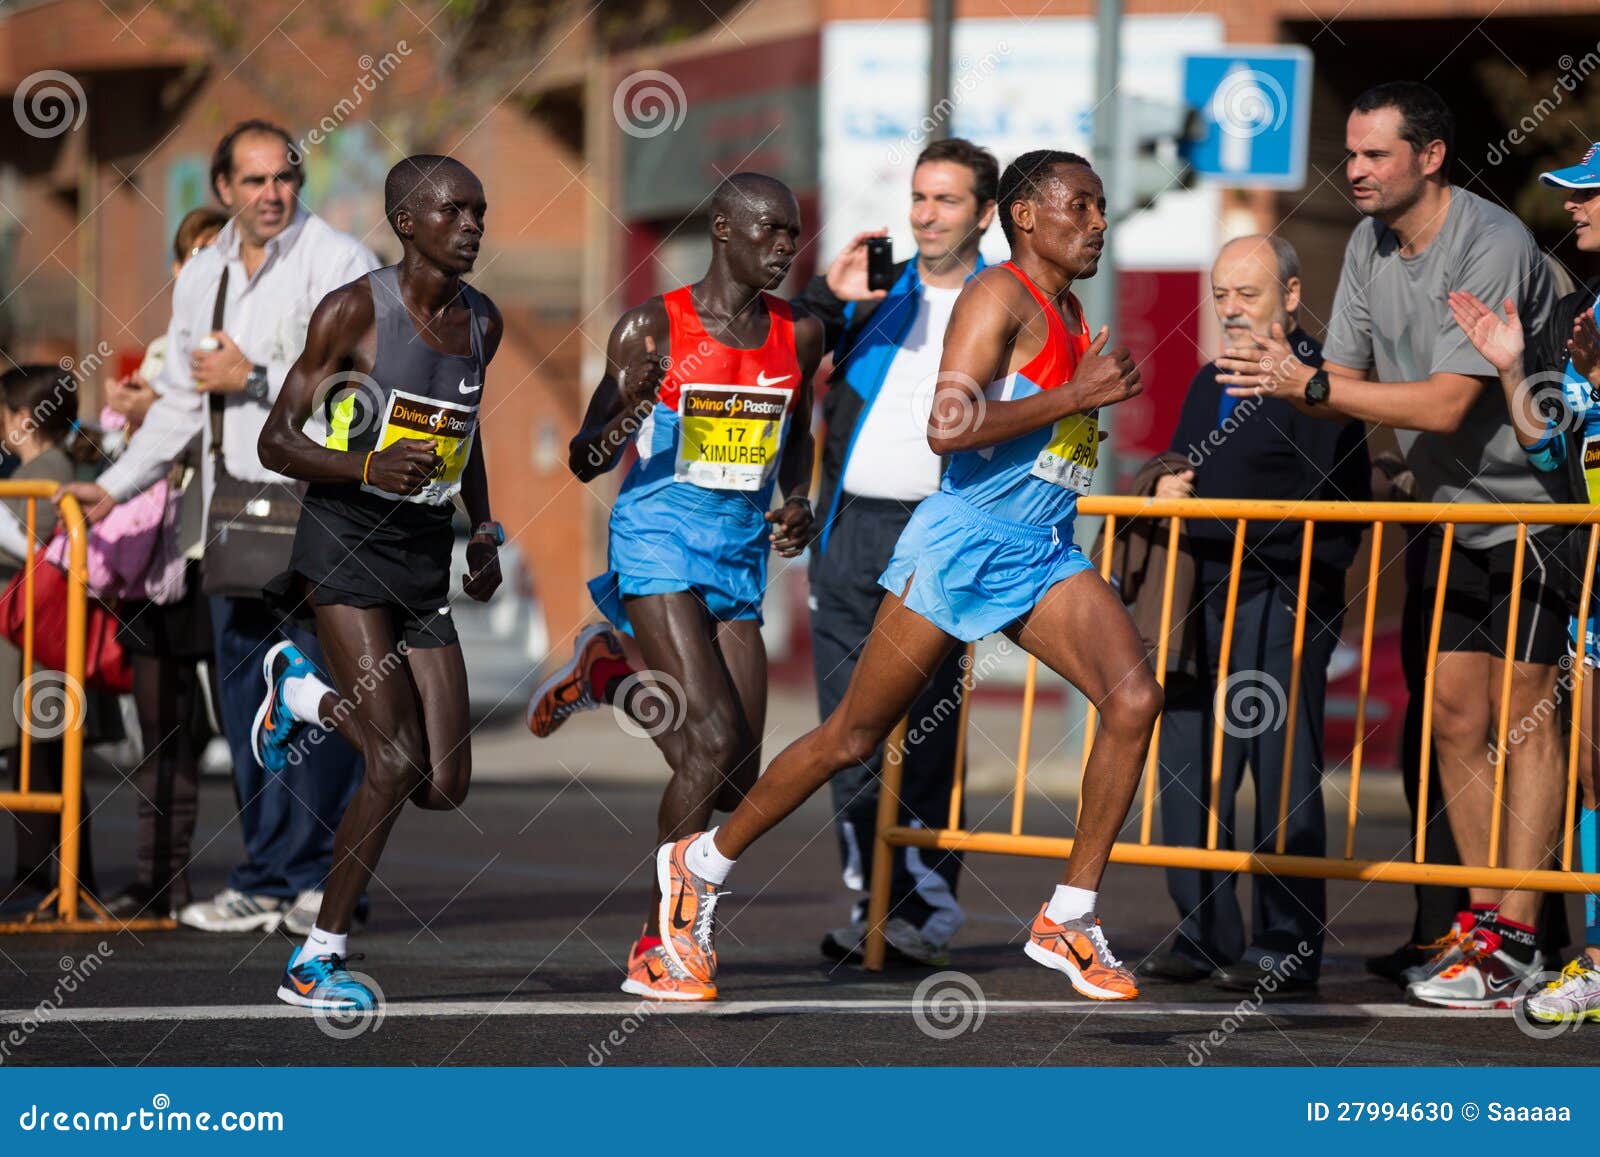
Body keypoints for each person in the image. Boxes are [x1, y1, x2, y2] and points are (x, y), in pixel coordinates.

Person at [655, 150, 1158, 1002]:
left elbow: (1043, 437)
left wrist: (1076, 407)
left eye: (1102, 206)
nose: (1098, 223)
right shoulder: (996, 296)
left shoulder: (1070, 310)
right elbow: (947, 426)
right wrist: (1075, 399)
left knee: (1135, 698)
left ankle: (1069, 914)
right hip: (960, 545)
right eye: (1080, 205)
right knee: (854, 736)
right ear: (1025, 215)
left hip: (1040, 548)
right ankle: (701, 863)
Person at [1217, 82, 1564, 1009]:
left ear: (1431, 156)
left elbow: (1444, 404)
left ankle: (1521, 938)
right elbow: (1344, 378)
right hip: (1447, 514)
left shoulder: (1490, 240)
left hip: (1539, 512)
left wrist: (1309, 385)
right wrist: (1289, 375)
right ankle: (1479, 927)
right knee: (1453, 715)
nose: (1356, 170)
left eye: (1376, 154)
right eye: (1352, 153)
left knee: (1526, 716)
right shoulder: (1371, 244)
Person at [59, 120, 377, 937]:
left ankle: (322, 878)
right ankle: (267, 875)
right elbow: (177, 402)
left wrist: (257, 376)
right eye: (255, 180)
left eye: (285, 177)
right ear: (225, 189)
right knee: (250, 705)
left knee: (324, 698)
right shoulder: (204, 273)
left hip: (321, 508)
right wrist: (112, 487)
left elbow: (364, 387)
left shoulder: (338, 260)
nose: (273, 193)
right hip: (234, 516)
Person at [547, 171, 822, 1002]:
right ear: (723, 229)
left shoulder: (800, 332)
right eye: (770, 230)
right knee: (707, 741)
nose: (784, 247)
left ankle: (611, 673)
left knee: (736, 775)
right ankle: (660, 943)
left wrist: (799, 500)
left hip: (738, 554)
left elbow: (798, 435)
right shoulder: (651, 327)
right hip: (658, 541)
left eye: (792, 233)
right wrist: (627, 409)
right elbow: (585, 458)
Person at [250, 154, 503, 1011]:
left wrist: (485, 526)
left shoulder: (483, 320)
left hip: (424, 556)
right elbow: (276, 442)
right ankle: (316, 957)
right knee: (392, 761)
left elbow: (467, 430)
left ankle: (301, 694)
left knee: (444, 782)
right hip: (345, 542)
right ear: (407, 222)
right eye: (454, 211)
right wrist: (366, 465)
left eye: (479, 211)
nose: (472, 225)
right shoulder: (354, 309)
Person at [1138, 236, 1369, 992]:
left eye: (1249, 293)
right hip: (1199, 595)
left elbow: (1334, 506)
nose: (1231, 308)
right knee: (1188, 761)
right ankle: (1203, 933)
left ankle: (1287, 943)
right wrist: (1166, 485)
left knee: (1279, 768)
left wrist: (1231, 523)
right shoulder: (1208, 379)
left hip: (1284, 596)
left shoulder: (1325, 384)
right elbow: (1182, 463)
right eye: (1221, 294)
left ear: (1292, 296)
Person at [791, 138, 999, 966]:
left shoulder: (1006, 301)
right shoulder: (875, 292)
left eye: (946, 200)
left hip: (939, 535)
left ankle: (923, 910)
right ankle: (870, 902)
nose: (926, 214)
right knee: (848, 729)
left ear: (985, 213)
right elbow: (779, 351)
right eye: (919, 197)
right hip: (849, 532)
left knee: (928, 732)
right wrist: (826, 297)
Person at [1445, 141, 1600, 1023]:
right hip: (1594, 576)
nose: (1573, 206)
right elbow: (1550, 450)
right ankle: (1596, 958)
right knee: (1594, 766)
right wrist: (1510, 365)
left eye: (1589, 193)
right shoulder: (1582, 310)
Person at [102, 205, 227, 921]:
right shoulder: (158, 353)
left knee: (257, 724)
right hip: (158, 564)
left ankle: (292, 879)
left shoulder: (246, 350)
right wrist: (127, 416)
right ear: (178, 269)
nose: (206, 268)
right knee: (160, 729)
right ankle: (159, 880)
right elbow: (126, 460)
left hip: (227, 554)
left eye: (220, 253)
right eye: (194, 254)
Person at [0, 366, 108, 916]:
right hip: (33, 636)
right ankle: (54, 876)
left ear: (23, 419)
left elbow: (39, 549)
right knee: (35, 756)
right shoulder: (47, 468)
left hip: (38, 639)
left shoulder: (49, 472)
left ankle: (49, 878)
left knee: (40, 755)